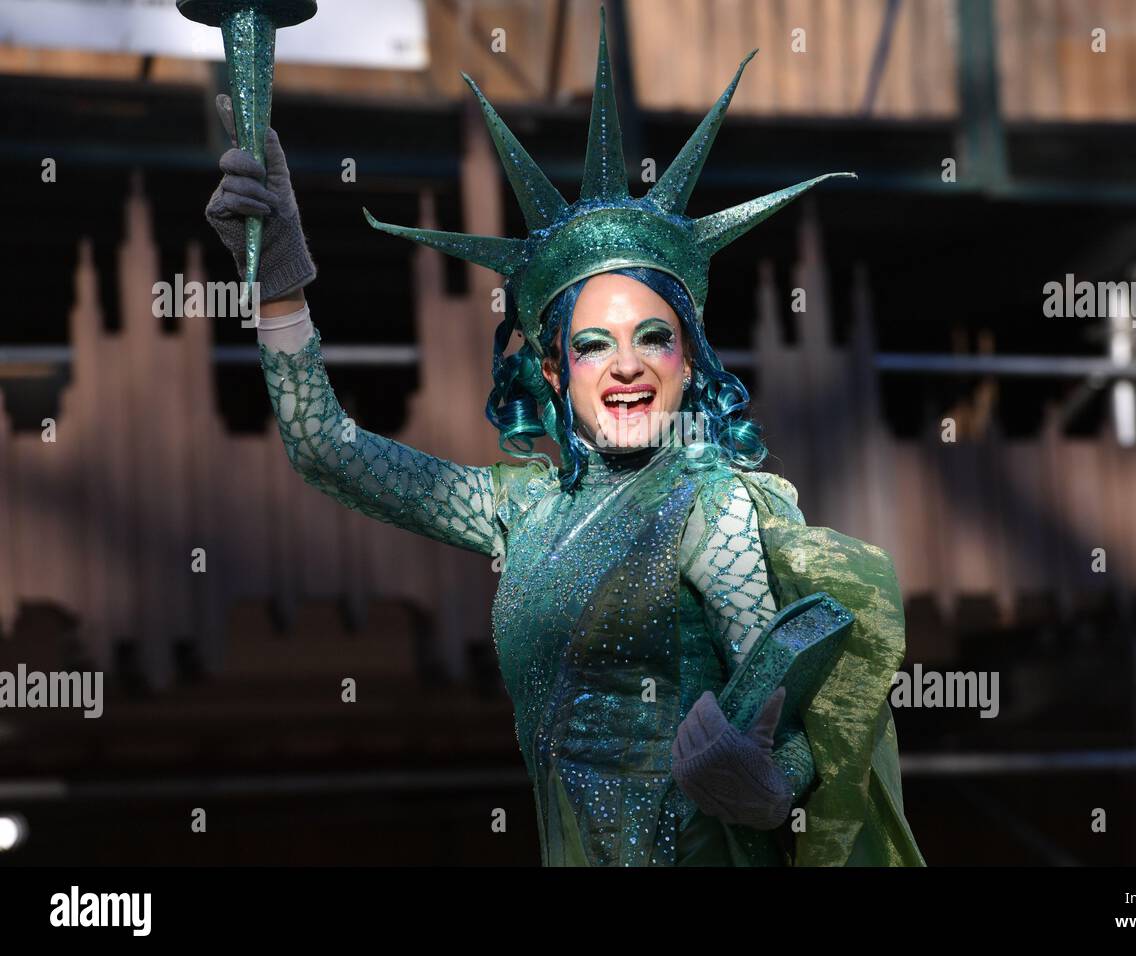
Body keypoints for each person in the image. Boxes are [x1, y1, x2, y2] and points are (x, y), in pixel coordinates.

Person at [205, 8, 924, 867]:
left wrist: (772, 792)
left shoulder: (712, 504)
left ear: (690, 363)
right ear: (554, 375)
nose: (626, 365)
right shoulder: (522, 508)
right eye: (592, 345)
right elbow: (328, 451)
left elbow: (786, 718)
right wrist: (280, 284)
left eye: (655, 338)